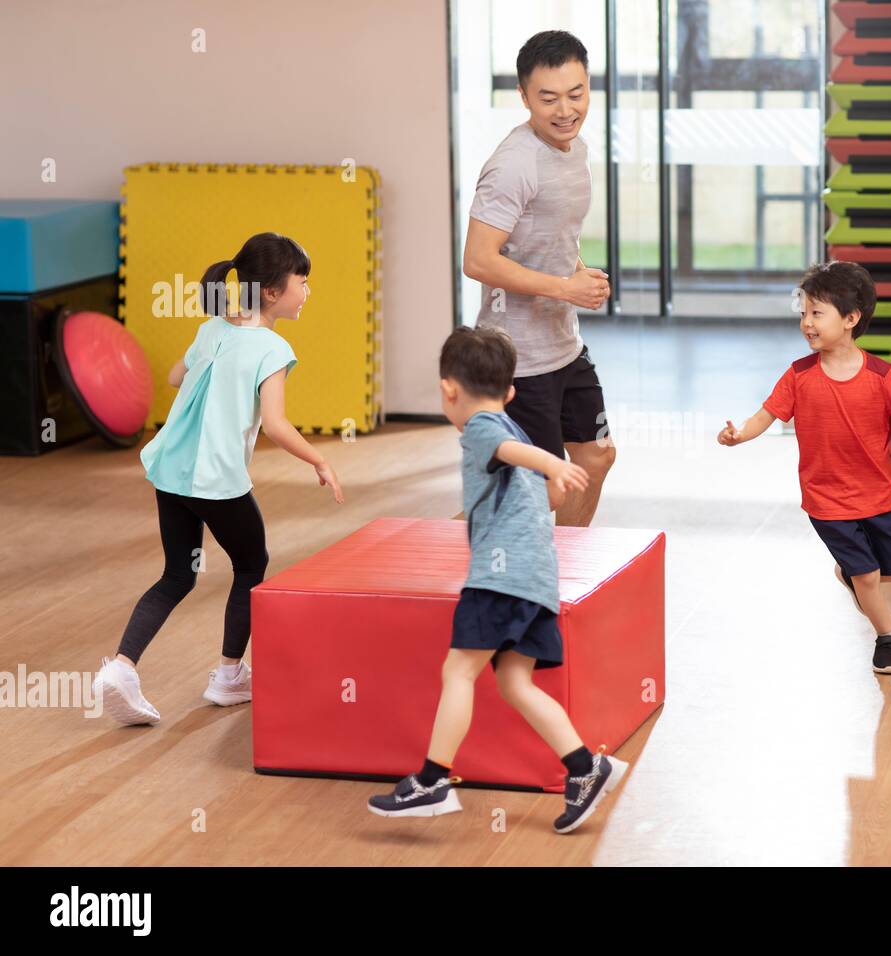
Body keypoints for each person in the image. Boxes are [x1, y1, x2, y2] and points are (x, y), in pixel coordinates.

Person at [367, 326, 628, 833]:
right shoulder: (515, 428)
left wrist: (554, 463)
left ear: (447, 389)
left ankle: (431, 781)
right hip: (535, 580)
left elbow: (516, 456)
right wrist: (549, 476)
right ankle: (584, 769)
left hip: (500, 578)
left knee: (458, 672)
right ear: (512, 391)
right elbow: (545, 496)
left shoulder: (486, 427)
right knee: (514, 682)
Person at [92, 232, 344, 725]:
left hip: (170, 472)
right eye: (303, 282)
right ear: (272, 291)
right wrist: (320, 459)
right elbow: (275, 424)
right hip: (216, 480)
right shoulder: (273, 348)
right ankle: (229, 676)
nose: (307, 291)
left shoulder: (213, 328)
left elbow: (172, 376)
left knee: (177, 575)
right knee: (251, 565)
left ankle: (121, 667)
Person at [718, 261, 891, 674]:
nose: (806, 323)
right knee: (869, 577)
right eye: (803, 313)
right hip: (826, 500)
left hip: (877, 496)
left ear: (851, 318)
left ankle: (851, 574)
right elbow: (767, 415)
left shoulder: (880, 376)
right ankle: (887, 637)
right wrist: (740, 434)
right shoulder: (799, 376)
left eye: (817, 313)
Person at [462, 29, 615, 527]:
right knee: (542, 487)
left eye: (576, 94)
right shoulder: (512, 165)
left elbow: (551, 237)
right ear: (524, 96)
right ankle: (446, 547)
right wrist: (565, 288)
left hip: (564, 345)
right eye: (548, 98)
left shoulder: (577, 149)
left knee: (595, 457)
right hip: (518, 357)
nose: (565, 109)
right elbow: (478, 261)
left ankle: (562, 575)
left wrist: (576, 271)